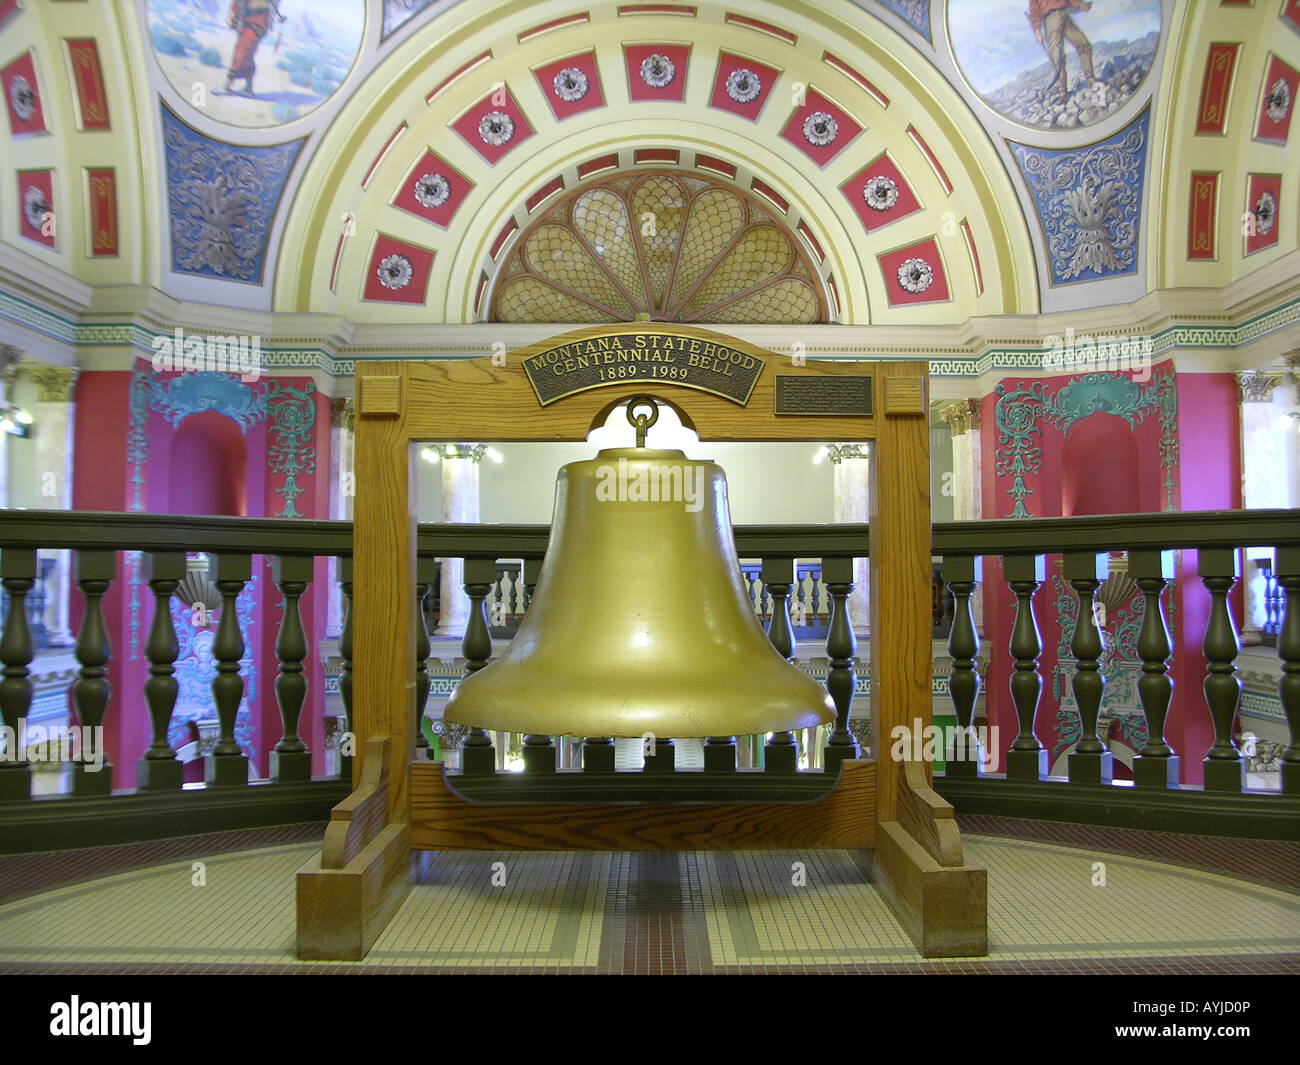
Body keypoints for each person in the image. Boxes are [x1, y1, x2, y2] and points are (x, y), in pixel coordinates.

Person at [1027, 0, 1098, 105]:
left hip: (1064, 15)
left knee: (1083, 44)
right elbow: (1034, 10)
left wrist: (1080, 4)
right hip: (1050, 19)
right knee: (1058, 57)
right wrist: (1037, 31)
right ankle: (1063, 92)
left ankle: (1090, 79)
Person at [223, 0, 282, 97]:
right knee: (248, 55)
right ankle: (248, 89)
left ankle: (226, 87)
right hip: (248, 19)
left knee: (241, 53)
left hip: (257, 21)